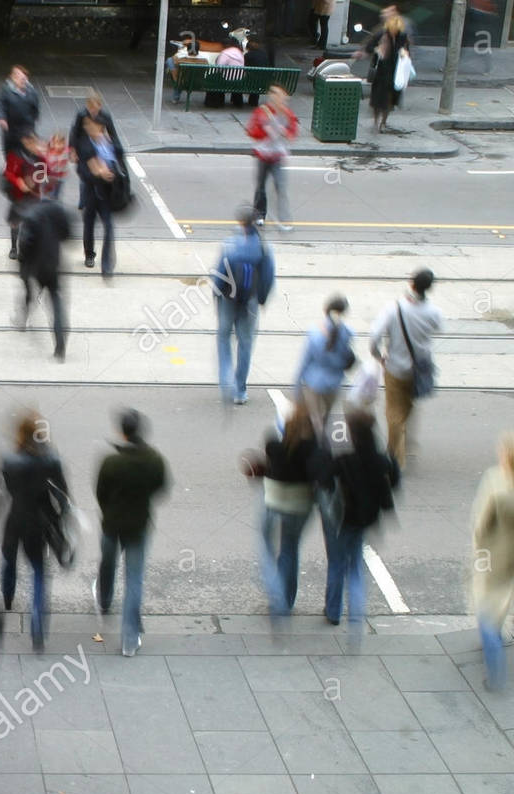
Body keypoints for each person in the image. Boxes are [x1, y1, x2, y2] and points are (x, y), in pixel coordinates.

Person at [313, 410, 398, 634]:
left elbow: (323, 478)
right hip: (366, 518)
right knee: (356, 566)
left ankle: (333, 611)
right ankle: (357, 615)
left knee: (337, 562)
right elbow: (395, 479)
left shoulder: (346, 460)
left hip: (344, 518)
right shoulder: (380, 459)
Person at [94, 409, 170, 657]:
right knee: (134, 579)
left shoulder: (111, 462)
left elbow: (100, 493)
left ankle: (104, 601)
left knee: (108, 564)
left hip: (111, 524)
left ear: (122, 432)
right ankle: (129, 639)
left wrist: (110, 508)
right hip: (138, 525)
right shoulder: (154, 460)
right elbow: (160, 488)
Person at [0, 410, 69, 645]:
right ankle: (37, 621)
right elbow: (63, 493)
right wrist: (62, 518)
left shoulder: (9, 459)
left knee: (9, 559)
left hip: (15, 518)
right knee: (38, 570)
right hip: (39, 521)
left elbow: (5, 489)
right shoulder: (51, 459)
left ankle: (8, 595)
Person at [368, 268, 442, 469]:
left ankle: (395, 458)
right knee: (408, 406)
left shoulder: (394, 309)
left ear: (411, 283)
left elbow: (374, 336)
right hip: (420, 369)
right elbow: (437, 328)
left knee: (394, 412)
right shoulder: (433, 312)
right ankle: (407, 445)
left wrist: (378, 355)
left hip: (396, 368)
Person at [469, 431, 514, 692]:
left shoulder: (497, 483)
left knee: (485, 609)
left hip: (494, 556)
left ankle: (496, 673)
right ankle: (498, 632)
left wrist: (477, 549)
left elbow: (482, 525)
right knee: (506, 597)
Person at [250, 401, 315, 616]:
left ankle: (274, 590)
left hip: (274, 501)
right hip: (300, 505)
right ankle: (287, 600)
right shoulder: (311, 448)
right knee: (290, 548)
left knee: (266, 543)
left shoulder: (273, 445)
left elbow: (267, 468)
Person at [211, 206, 276, 405]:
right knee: (245, 343)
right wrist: (261, 298)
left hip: (228, 299)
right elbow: (267, 276)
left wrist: (217, 294)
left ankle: (226, 380)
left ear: (240, 222)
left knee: (223, 337)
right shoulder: (263, 247)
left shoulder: (230, 244)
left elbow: (219, 272)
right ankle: (240, 390)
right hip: (250, 300)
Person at [15, 197, 72, 360]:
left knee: (28, 291)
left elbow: (25, 243)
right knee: (55, 298)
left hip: (36, 266)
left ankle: (23, 318)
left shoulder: (31, 216)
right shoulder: (59, 211)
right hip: (54, 262)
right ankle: (60, 342)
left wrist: (22, 261)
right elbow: (67, 234)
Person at [294, 295, 356, 432]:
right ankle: (323, 443)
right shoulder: (348, 333)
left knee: (313, 419)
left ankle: (316, 444)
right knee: (326, 418)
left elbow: (304, 361)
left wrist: (297, 387)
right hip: (334, 383)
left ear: (325, 310)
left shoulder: (314, 332)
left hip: (314, 382)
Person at [247, 85, 298, 232]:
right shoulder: (262, 112)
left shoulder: (287, 115)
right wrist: (264, 131)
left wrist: (284, 132)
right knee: (261, 187)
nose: (280, 102)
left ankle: (283, 218)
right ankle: (259, 215)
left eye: (282, 99)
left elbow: (293, 133)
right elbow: (252, 131)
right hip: (264, 155)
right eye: (277, 99)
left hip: (277, 156)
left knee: (280, 187)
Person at [73, 114, 119, 277]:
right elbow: (82, 171)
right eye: (89, 126)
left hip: (106, 193)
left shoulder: (108, 144)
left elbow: (117, 160)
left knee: (109, 226)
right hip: (91, 191)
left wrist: (110, 171)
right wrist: (99, 173)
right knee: (89, 223)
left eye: (94, 127)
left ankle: (107, 265)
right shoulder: (84, 144)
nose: (91, 129)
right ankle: (89, 254)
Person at [68, 91, 128, 212]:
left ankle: (99, 199)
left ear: (100, 106)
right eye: (91, 108)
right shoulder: (82, 115)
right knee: (85, 175)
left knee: (98, 174)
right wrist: (73, 149)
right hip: (84, 147)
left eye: (95, 108)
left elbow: (113, 134)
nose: (93, 111)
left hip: (97, 148)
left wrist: (118, 151)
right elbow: (75, 132)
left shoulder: (105, 116)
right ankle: (84, 199)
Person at [355, 6, 410, 133]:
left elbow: (406, 52)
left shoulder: (402, 36)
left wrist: (404, 55)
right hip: (382, 72)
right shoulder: (381, 34)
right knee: (378, 99)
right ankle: (376, 122)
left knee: (389, 100)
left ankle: (383, 122)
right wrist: (373, 51)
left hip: (395, 72)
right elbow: (369, 48)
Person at [3, 129, 43, 260]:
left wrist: (37, 179)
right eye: (30, 143)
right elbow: (8, 173)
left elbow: (46, 169)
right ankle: (14, 247)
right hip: (18, 194)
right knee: (15, 221)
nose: (33, 145)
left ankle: (30, 247)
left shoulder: (39, 156)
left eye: (34, 143)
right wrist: (18, 181)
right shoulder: (15, 155)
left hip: (34, 195)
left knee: (32, 221)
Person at [0, 65, 39, 156]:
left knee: (28, 150)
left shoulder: (31, 91)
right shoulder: (7, 90)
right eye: (19, 77)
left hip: (26, 128)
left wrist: (32, 120)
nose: (22, 80)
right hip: (11, 127)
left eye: (24, 78)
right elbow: (0, 104)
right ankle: (10, 166)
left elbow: (35, 108)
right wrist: (1, 117)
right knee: (10, 150)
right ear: (13, 78)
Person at [167, 31, 201, 104]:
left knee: (169, 60)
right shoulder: (204, 61)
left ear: (188, 50)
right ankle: (177, 79)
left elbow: (173, 59)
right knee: (183, 77)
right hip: (198, 82)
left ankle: (176, 81)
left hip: (184, 81)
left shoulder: (182, 59)